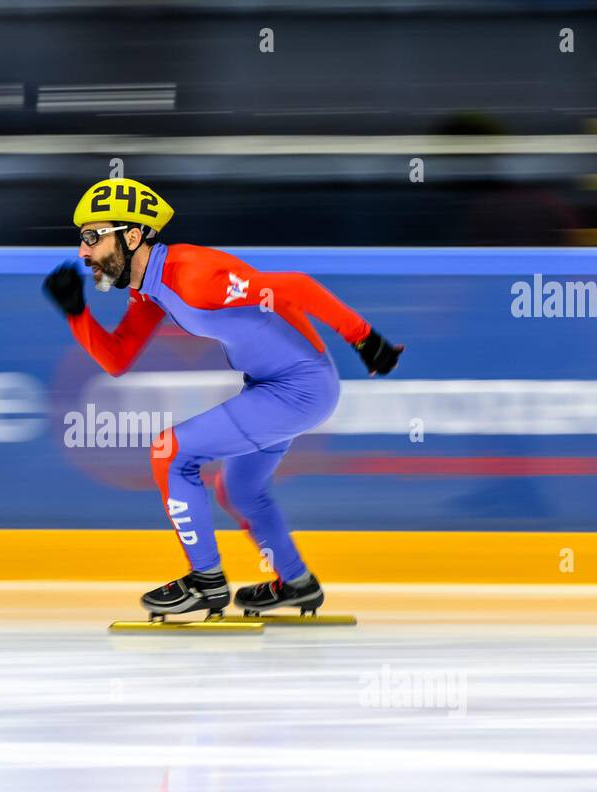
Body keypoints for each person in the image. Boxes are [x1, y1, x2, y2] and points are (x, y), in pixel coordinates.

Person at [43, 178, 403, 618]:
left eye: (93, 237)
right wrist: (76, 314)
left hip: (298, 387)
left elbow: (295, 286)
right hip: (275, 387)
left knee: (170, 451)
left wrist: (365, 339)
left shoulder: (192, 278)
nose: (84, 252)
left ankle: (206, 583)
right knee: (241, 488)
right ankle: (297, 584)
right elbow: (117, 358)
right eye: (82, 240)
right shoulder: (151, 289)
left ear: (133, 236)